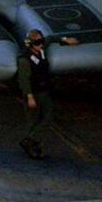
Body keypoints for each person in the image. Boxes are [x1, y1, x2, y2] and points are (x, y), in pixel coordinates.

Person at [16, 28, 79, 159]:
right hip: (33, 94)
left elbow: (50, 38)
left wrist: (65, 40)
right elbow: (24, 80)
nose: (40, 44)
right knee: (33, 121)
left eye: (41, 41)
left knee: (48, 118)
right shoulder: (24, 59)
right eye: (37, 42)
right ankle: (33, 146)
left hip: (44, 91)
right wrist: (29, 97)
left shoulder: (41, 49)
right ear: (30, 44)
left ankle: (30, 141)